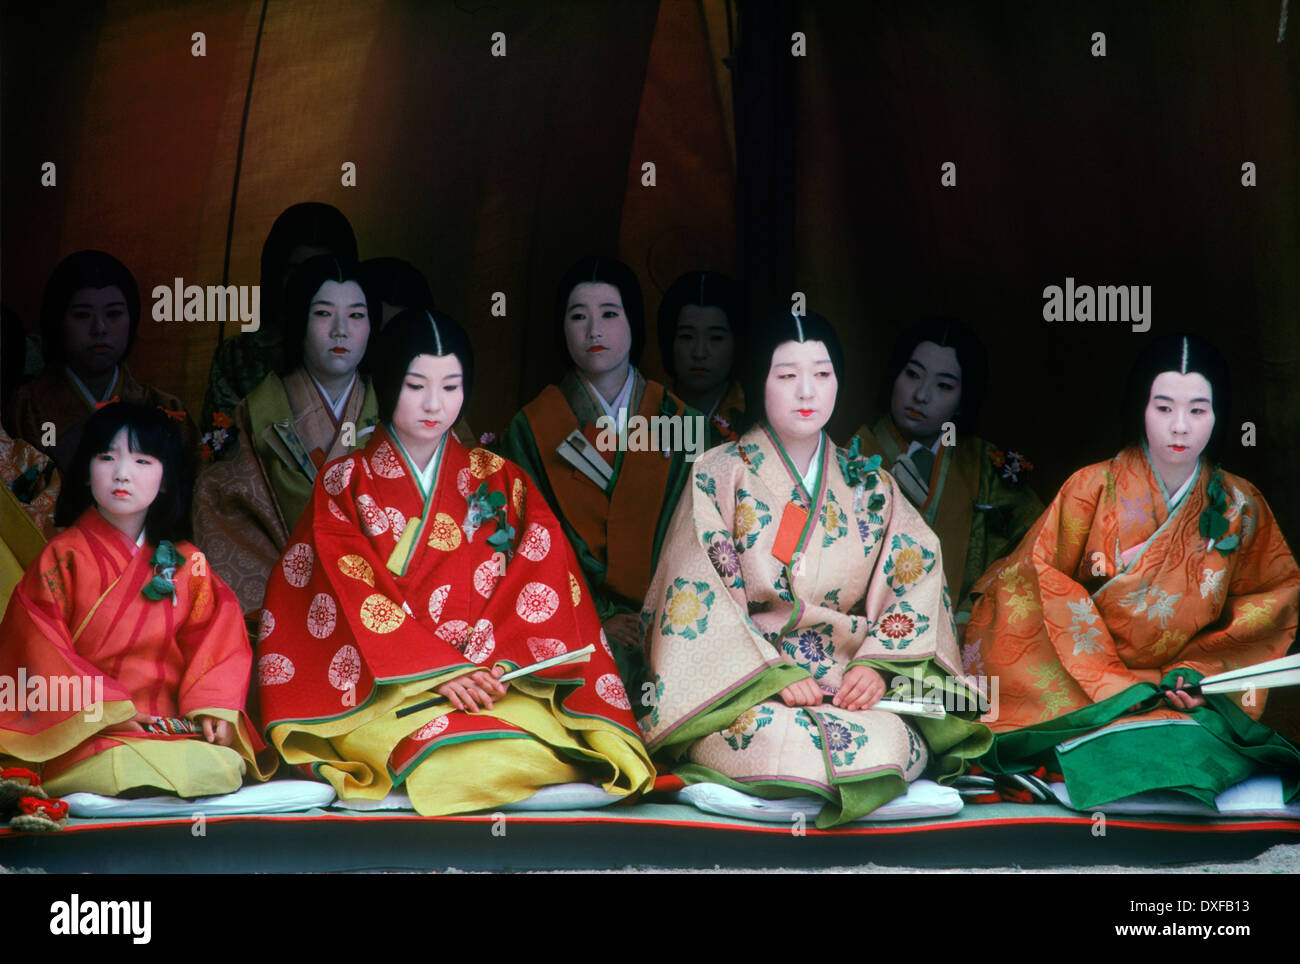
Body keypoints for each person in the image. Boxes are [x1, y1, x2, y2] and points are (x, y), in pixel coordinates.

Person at [256, 309, 654, 815]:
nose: (434, 404)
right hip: (389, 691)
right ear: (387, 383)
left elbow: (543, 575)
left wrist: (491, 666)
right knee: (457, 760)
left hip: (494, 682)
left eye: (451, 386)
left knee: (532, 745)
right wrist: (436, 671)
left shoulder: (501, 478)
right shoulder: (345, 484)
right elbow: (343, 594)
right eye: (416, 385)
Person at [639, 309, 991, 828]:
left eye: (822, 374)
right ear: (758, 381)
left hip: (851, 683)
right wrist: (772, 673)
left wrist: (877, 666)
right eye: (787, 375)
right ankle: (852, 793)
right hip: (753, 684)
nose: (807, 391)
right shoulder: (718, 474)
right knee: (772, 739)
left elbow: (914, 575)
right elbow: (697, 592)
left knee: (890, 733)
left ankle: (813, 792)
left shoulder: (870, 483)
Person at [966, 334, 1300, 809]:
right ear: (1141, 407)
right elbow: (1036, 581)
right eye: (1163, 408)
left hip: (1178, 687)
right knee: (1091, 740)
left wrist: (1202, 678)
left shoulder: (1240, 505)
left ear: (1219, 414)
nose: (1179, 427)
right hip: (1089, 684)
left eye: (1198, 410)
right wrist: (1111, 682)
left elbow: (1268, 600)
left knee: (1194, 748)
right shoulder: (1090, 487)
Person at [0, 402, 274, 797]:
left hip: (169, 732)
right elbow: (37, 648)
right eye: (107, 457)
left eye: (143, 460)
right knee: (118, 768)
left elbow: (219, 644)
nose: (122, 474)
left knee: (219, 766)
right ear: (87, 472)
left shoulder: (187, 563)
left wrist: (213, 707)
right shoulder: (61, 557)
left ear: (165, 479)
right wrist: (105, 713)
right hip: (86, 733)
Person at [502, 256, 696, 699]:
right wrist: (597, 617)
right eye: (578, 317)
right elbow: (525, 544)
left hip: (671, 620)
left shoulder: (679, 420)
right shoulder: (532, 427)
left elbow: (700, 537)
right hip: (574, 622)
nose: (594, 331)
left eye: (609, 314)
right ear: (561, 328)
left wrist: (662, 615)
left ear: (634, 323)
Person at [191, 255, 381, 617]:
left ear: (373, 324)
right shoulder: (259, 412)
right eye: (323, 313)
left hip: (371, 600)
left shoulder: (393, 412)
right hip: (278, 601)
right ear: (298, 319)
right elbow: (225, 509)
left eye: (356, 315)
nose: (340, 330)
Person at [852, 318, 1043, 629]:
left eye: (944, 385)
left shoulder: (986, 466)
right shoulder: (851, 457)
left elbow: (1031, 546)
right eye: (913, 374)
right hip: (869, 629)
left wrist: (973, 611)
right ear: (894, 376)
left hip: (962, 630)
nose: (921, 395)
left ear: (962, 401)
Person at [6, 250, 198, 477]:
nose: (100, 328)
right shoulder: (25, 409)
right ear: (57, 321)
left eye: (114, 314)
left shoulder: (166, 409)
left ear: (132, 319)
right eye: (82, 315)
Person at [201, 202, 358, 432]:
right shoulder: (239, 356)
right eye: (296, 272)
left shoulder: (364, 354)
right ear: (276, 274)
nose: (307, 285)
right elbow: (221, 440)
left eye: (320, 273)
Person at [656, 270, 746, 445]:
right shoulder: (647, 410)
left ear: (737, 342)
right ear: (669, 341)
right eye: (687, 337)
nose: (699, 353)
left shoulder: (757, 416)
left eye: (716, 338)